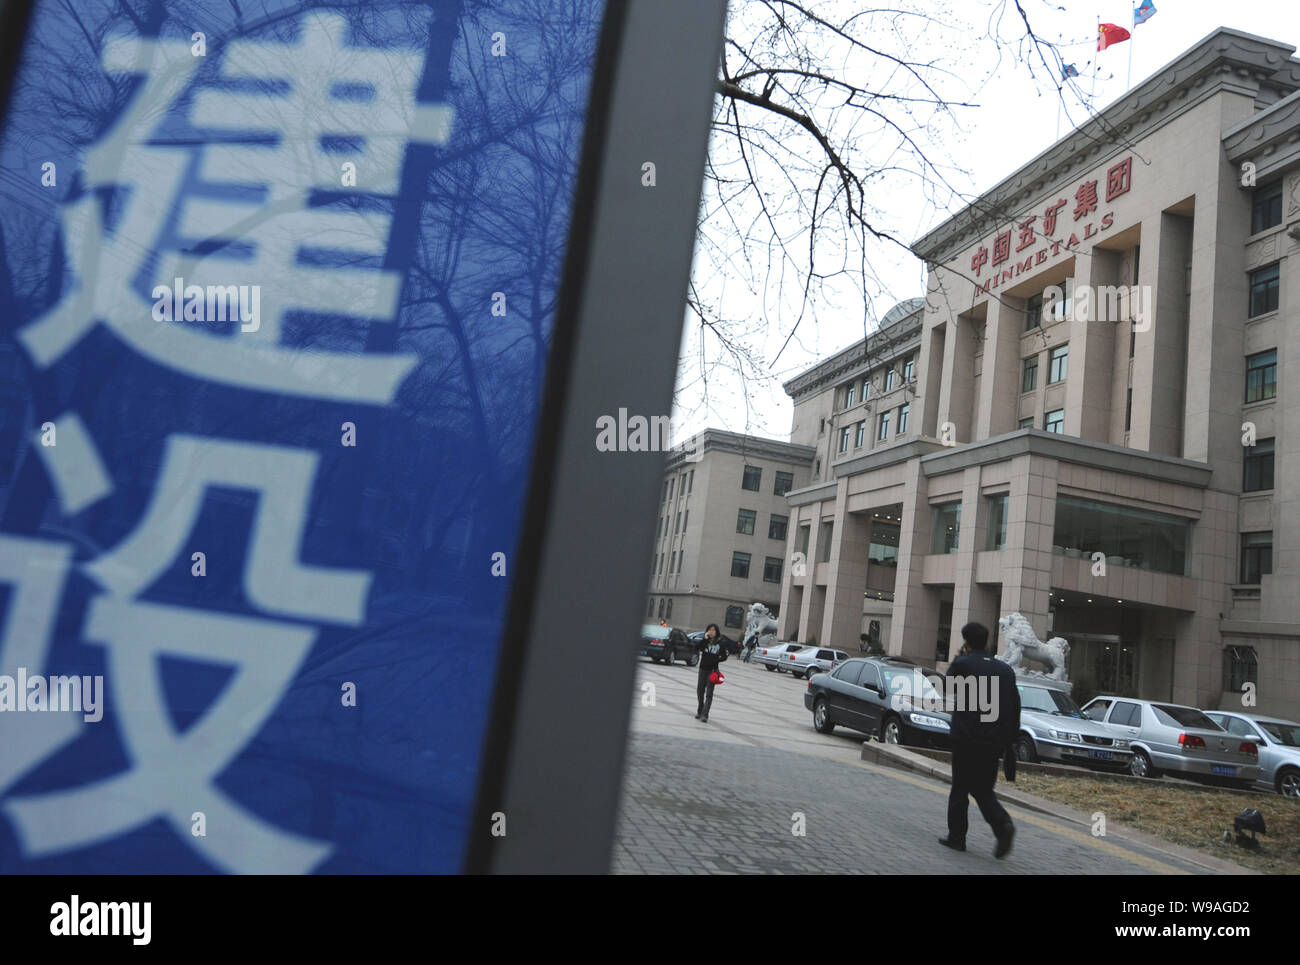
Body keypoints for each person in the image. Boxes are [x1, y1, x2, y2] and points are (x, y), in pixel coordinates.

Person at [939, 622, 1020, 858]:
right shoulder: (1005, 670)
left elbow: (947, 688)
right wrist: (1010, 740)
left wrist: (956, 660)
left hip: (966, 738)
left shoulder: (963, 664)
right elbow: (1015, 706)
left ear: (966, 642)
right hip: (993, 741)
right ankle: (1002, 823)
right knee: (983, 790)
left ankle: (957, 838)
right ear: (987, 641)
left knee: (960, 789)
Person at [695, 623, 728, 723]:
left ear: (717, 631)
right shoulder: (705, 641)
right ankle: (700, 709)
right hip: (703, 669)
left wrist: (717, 659)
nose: (711, 632)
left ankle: (705, 714)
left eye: (713, 630)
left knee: (709, 693)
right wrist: (704, 639)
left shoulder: (721, 643)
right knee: (700, 691)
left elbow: (724, 656)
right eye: (710, 630)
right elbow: (697, 648)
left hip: (713, 670)